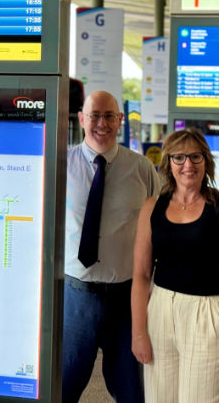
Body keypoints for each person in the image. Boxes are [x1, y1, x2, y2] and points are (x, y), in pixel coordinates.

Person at [131, 129, 219, 403]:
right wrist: (139, 333)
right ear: (168, 163)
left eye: (195, 157)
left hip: (208, 312)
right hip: (160, 310)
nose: (188, 165)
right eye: (179, 157)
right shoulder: (152, 207)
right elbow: (141, 274)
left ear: (206, 161)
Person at [63, 90, 161, 403]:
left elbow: (159, 225)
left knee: (131, 389)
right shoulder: (60, 164)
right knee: (63, 385)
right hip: (75, 295)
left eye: (109, 116)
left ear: (120, 120)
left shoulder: (142, 169)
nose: (102, 123)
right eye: (95, 115)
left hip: (126, 298)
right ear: (81, 119)